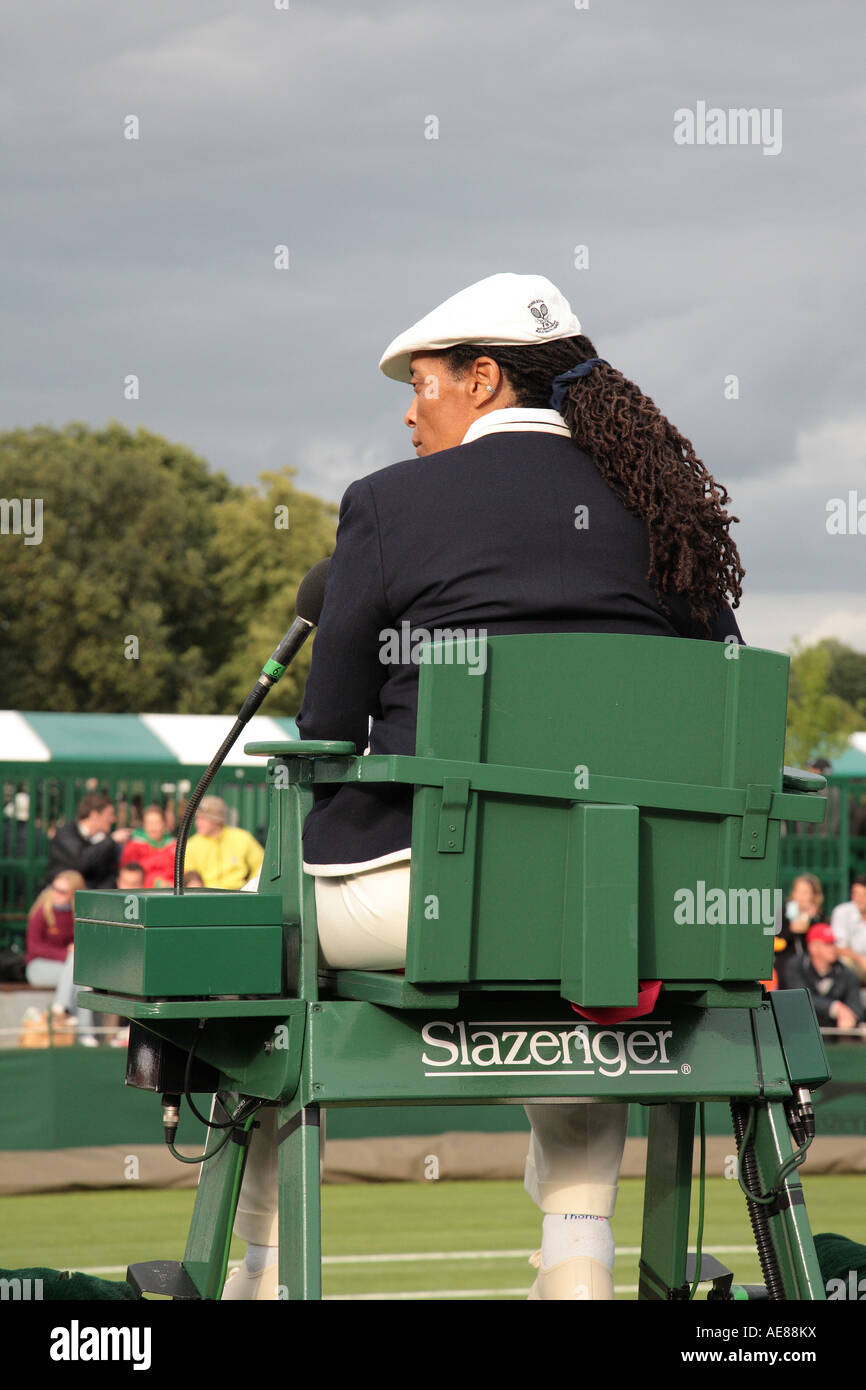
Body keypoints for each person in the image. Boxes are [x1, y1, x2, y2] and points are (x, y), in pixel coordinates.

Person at [224, 271, 746, 1302]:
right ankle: (577, 1261)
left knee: (246, 961)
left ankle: (259, 1272)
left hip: (415, 904)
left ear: (483, 378)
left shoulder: (386, 504)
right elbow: (718, 712)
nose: (409, 408)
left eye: (421, 383)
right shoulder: (667, 508)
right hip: (640, 917)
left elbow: (325, 731)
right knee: (577, 961)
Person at [785, 924, 864, 1032]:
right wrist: (834, 1008)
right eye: (827, 944)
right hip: (799, 1031)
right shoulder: (797, 966)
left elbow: (856, 1005)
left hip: (834, 1036)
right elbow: (799, 998)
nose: (833, 948)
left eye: (833, 943)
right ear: (813, 947)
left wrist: (851, 1016)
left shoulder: (845, 972)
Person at [46, 793, 131, 890]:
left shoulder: (105, 840)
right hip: (66, 896)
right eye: (109, 815)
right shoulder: (66, 834)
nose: (113, 819)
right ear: (94, 815)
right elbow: (81, 862)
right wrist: (111, 841)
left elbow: (110, 875)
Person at [183, 796, 264, 890]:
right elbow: (188, 873)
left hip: (239, 894)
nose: (197, 823)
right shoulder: (191, 844)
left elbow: (261, 864)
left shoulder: (242, 838)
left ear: (216, 820)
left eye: (203, 818)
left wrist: (251, 886)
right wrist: (193, 882)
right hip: (206, 896)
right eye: (197, 818)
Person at [24, 871, 86, 987]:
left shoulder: (78, 914)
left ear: (73, 895)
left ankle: (59, 1005)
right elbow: (34, 947)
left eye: (62, 892)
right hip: (39, 964)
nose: (55, 893)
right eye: (54, 888)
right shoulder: (42, 912)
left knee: (77, 974)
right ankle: (61, 1005)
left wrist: (73, 948)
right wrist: (66, 954)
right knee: (75, 976)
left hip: (70, 964)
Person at [775, 873, 825, 988]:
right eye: (798, 891)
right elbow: (778, 941)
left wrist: (811, 921)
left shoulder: (817, 917)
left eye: (806, 892)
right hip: (785, 960)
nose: (801, 897)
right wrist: (792, 930)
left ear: (814, 896)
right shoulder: (784, 912)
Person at [120, 804, 176, 888]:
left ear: (164, 824)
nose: (153, 827)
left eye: (157, 822)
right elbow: (127, 876)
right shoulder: (134, 846)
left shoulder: (174, 846)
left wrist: (170, 885)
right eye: (149, 823)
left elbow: (180, 875)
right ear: (144, 825)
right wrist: (154, 883)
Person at [830, 875, 866, 984]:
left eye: (863, 895)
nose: (858, 899)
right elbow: (839, 948)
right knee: (844, 962)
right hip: (854, 964)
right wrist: (861, 960)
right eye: (856, 894)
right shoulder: (842, 911)